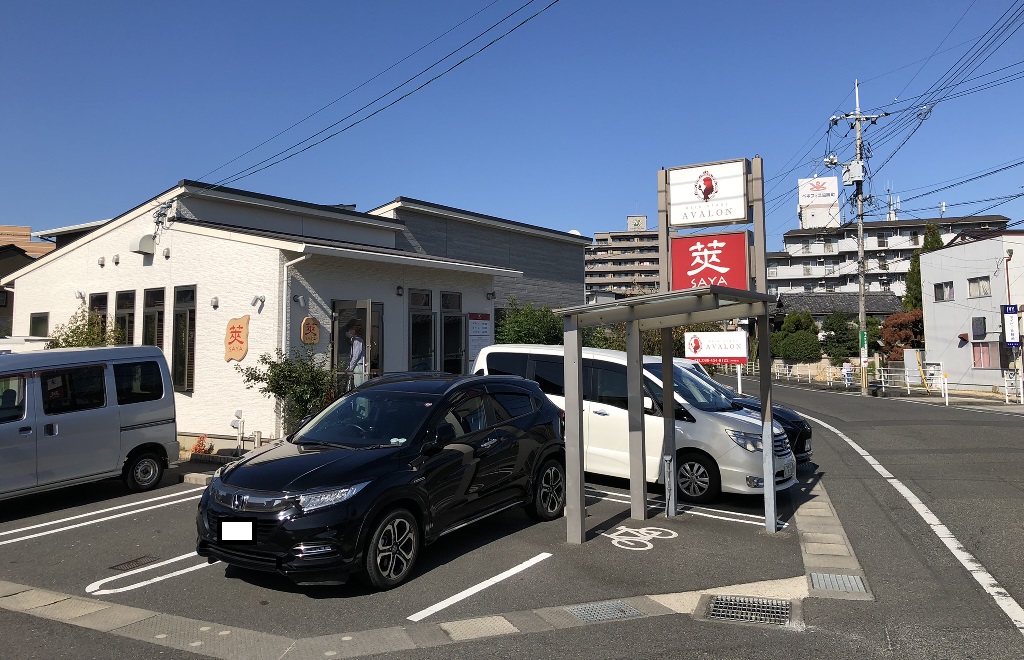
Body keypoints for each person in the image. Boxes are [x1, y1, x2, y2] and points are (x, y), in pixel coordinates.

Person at [346, 319, 366, 390]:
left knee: (359, 387)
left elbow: (356, 356)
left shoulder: (357, 340)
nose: (348, 332)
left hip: (359, 366)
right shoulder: (354, 340)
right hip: (357, 366)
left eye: (350, 329)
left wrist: (350, 368)